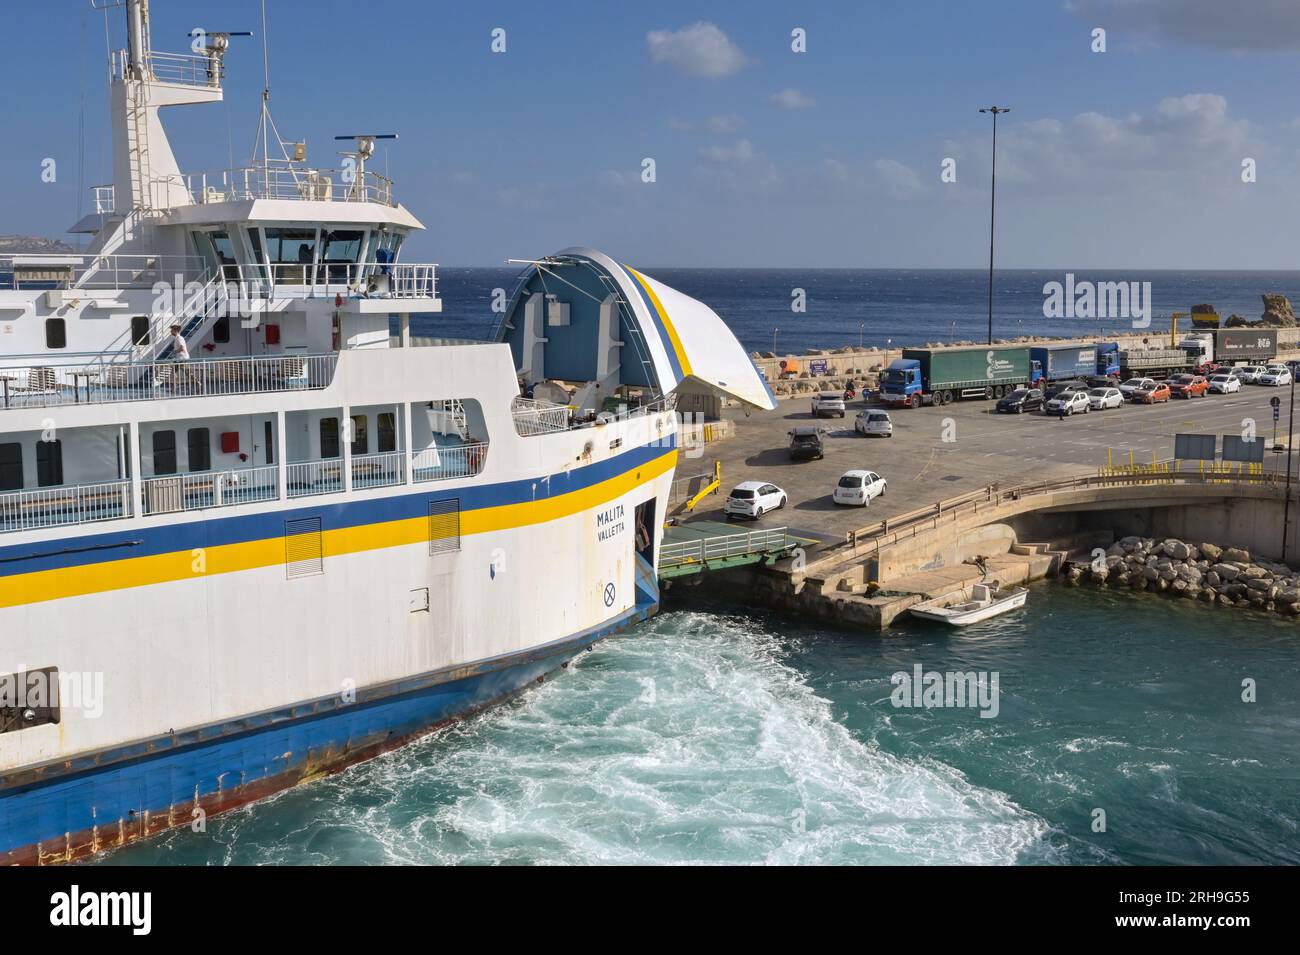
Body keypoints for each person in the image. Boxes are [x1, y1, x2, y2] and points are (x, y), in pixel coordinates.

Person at [168, 324, 199, 391]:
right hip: (179, 359)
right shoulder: (177, 338)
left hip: (182, 358)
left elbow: (182, 348)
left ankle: (198, 384)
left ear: (175, 331)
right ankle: (173, 388)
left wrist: (175, 351)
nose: (171, 332)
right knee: (174, 372)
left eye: (172, 330)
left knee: (187, 373)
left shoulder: (180, 338)